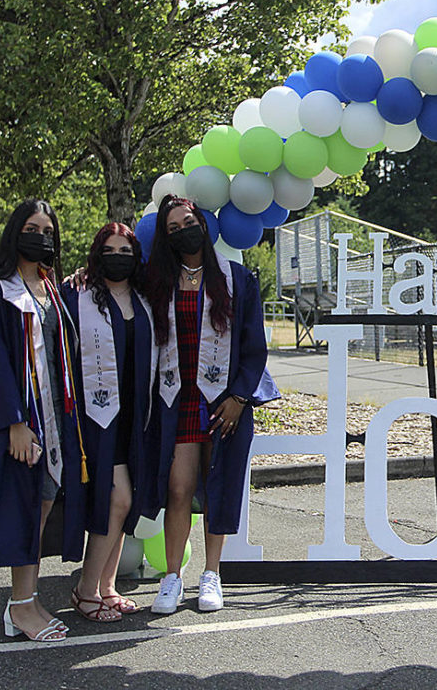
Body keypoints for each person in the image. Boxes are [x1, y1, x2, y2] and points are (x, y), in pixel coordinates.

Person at [0, 199, 87, 643]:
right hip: (24, 419)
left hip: (55, 414)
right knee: (25, 508)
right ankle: (18, 606)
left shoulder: (51, 290)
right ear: (15, 232)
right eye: (33, 228)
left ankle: (27, 600)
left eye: (48, 232)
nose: (41, 237)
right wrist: (14, 422)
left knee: (45, 500)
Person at [143, 196, 278, 614]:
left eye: (189, 221)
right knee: (178, 487)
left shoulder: (237, 280)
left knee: (217, 485)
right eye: (173, 227)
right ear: (166, 238)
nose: (184, 229)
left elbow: (255, 348)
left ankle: (212, 574)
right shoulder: (157, 281)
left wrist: (239, 397)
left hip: (222, 401)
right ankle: (171, 577)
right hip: (175, 399)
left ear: (202, 223)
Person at [61, 223, 156, 621]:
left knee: (124, 502)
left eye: (125, 250)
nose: (118, 256)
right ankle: (85, 591)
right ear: (97, 254)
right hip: (98, 418)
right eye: (109, 249)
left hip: (136, 417)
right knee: (117, 499)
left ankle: (107, 586)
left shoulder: (144, 297)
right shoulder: (78, 294)